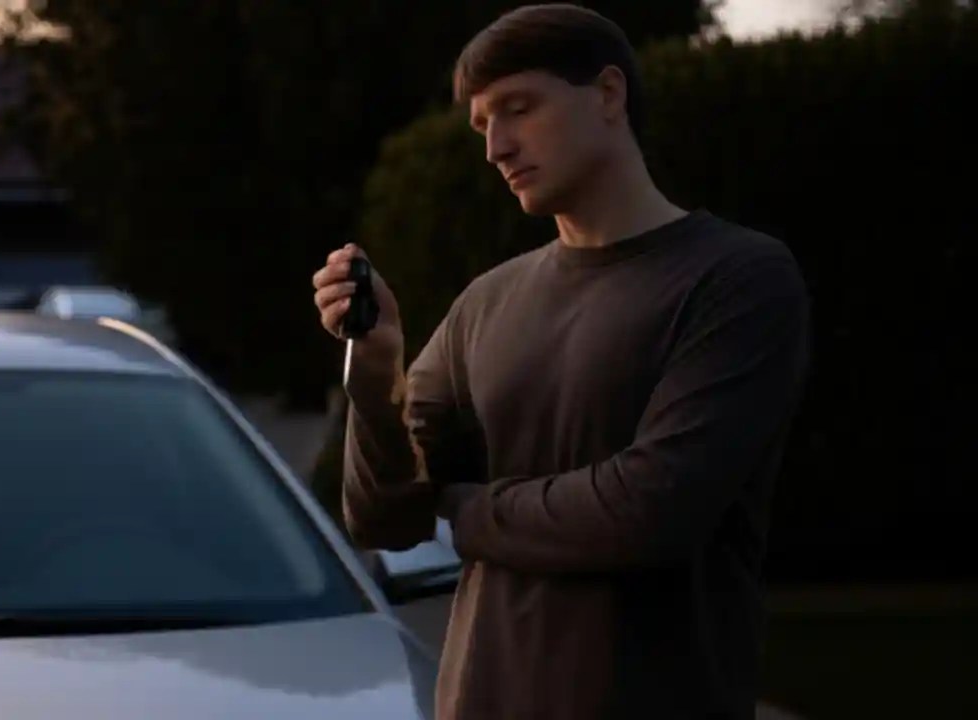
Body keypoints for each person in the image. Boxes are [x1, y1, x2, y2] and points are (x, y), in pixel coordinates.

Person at [312, 3, 811, 719]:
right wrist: (375, 369)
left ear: (609, 94)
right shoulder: (488, 302)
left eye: (518, 109)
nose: (496, 147)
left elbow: (650, 510)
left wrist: (467, 509)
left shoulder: (736, 279)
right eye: (483, 125)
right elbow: (384, 517)